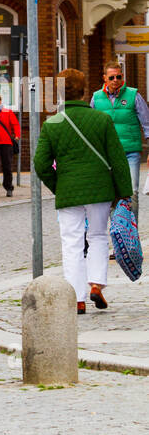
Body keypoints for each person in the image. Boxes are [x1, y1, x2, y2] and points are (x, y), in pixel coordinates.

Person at [35, 66, 133, 313]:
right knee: (98, 236)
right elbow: (118, 160)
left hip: (68, 191)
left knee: (71, 242)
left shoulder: (52, 123)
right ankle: (96, 285)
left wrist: (59, 185)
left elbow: (40, 164)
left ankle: (76, 298)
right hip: (100, 189)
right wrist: (124, 193)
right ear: (83, 91)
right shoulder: (102, 119)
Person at [89, 62, 149, 225]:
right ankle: (118, 234)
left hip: (130, 152)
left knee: (132, 192)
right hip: (107, 154)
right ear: (105, 79)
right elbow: (89, 125)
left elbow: (147, 124)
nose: (116, 80)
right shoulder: (96, 98)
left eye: (119, 77)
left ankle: (132, 233)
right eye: (112, 77)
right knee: (111, 193)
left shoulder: (133, 95)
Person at [0, 90, 21, 198]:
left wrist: (17, 135)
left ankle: (8, 187)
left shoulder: (8, 112)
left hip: (6, 142)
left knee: (7, 166)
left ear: (0, 101)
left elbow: (15, 125)